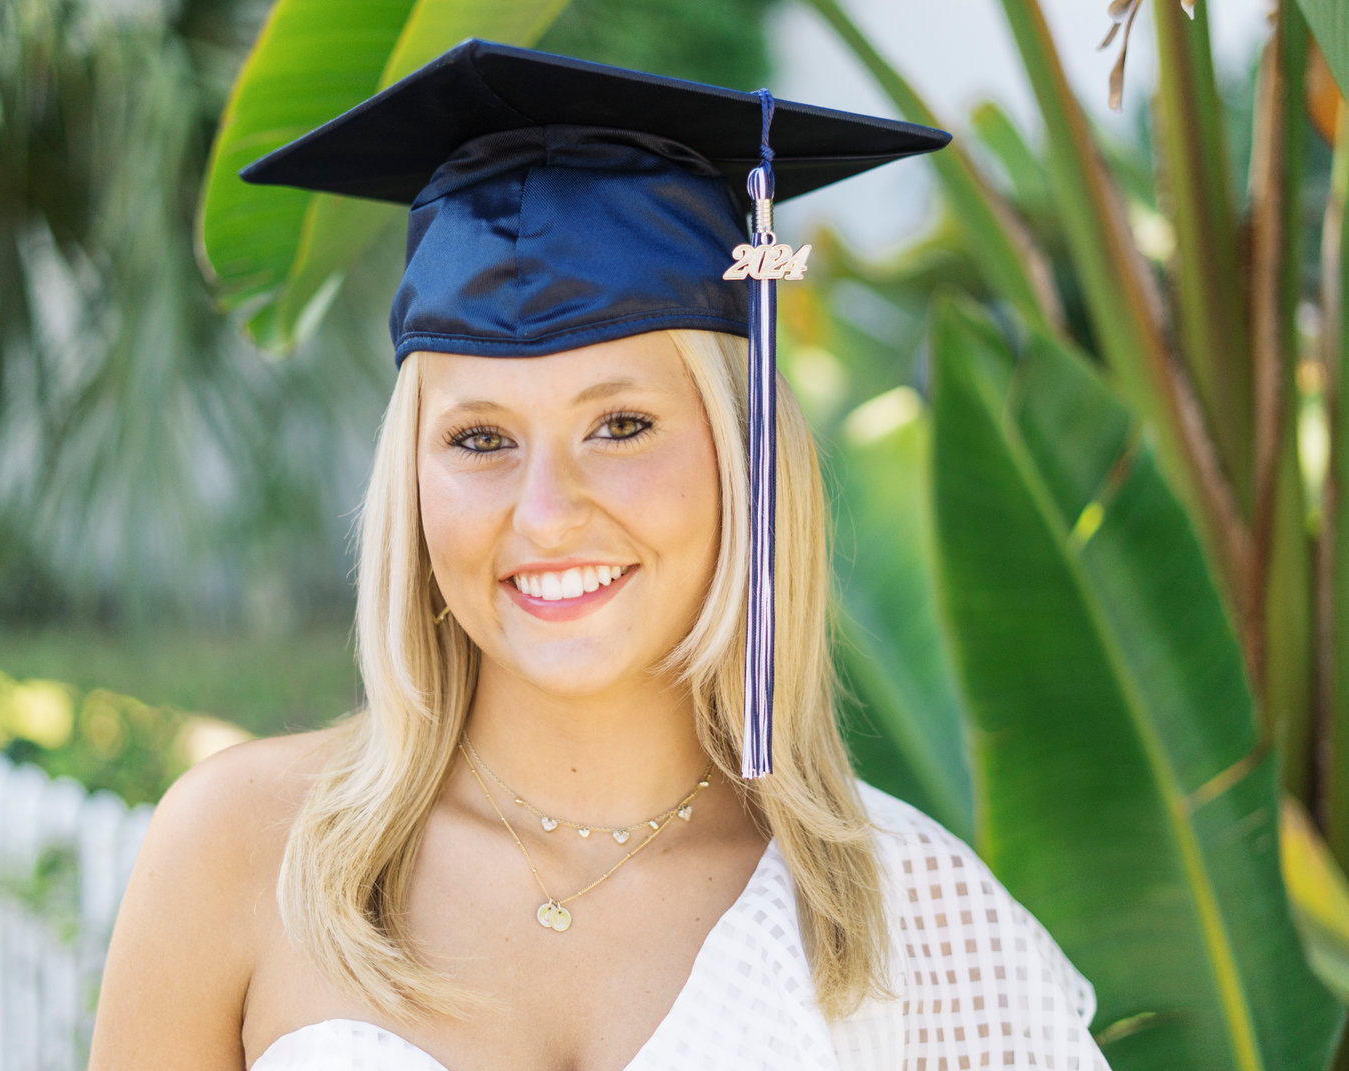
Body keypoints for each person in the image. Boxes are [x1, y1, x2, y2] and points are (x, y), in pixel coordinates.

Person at [89, 41, 1111, 1071]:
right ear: (410, 479)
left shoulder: (919, 925)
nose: (545, 513)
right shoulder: (242, 852)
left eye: (620, 427)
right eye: (480, 439)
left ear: (743, 455)